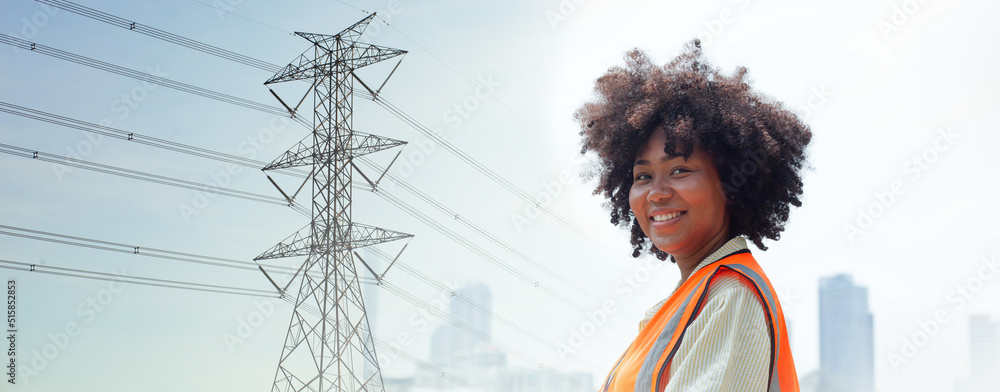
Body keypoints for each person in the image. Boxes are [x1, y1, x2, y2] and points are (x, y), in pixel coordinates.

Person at [575, 39, 813, 392]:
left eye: (680, 170)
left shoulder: (733, 296)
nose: (656, 192)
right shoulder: (676, 308)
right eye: (642, 176)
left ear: (731, 184)